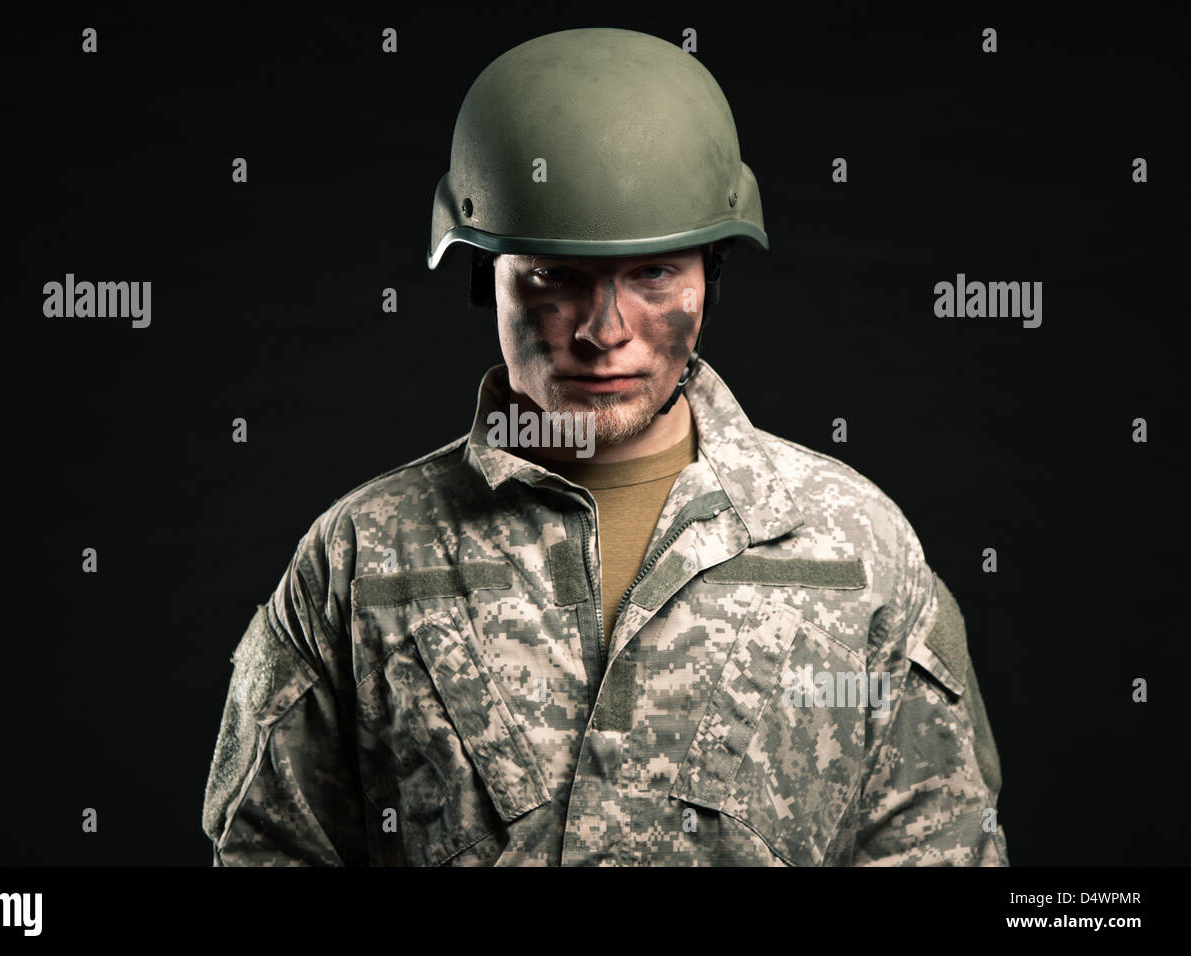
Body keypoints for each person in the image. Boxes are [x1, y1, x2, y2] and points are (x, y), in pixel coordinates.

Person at [200, 26, 1007, 866]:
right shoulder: (361, 559)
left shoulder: (857, 549)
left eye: (654, 273)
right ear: (487, 279)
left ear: (710, 277)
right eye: (554, 274)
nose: (604, 330)